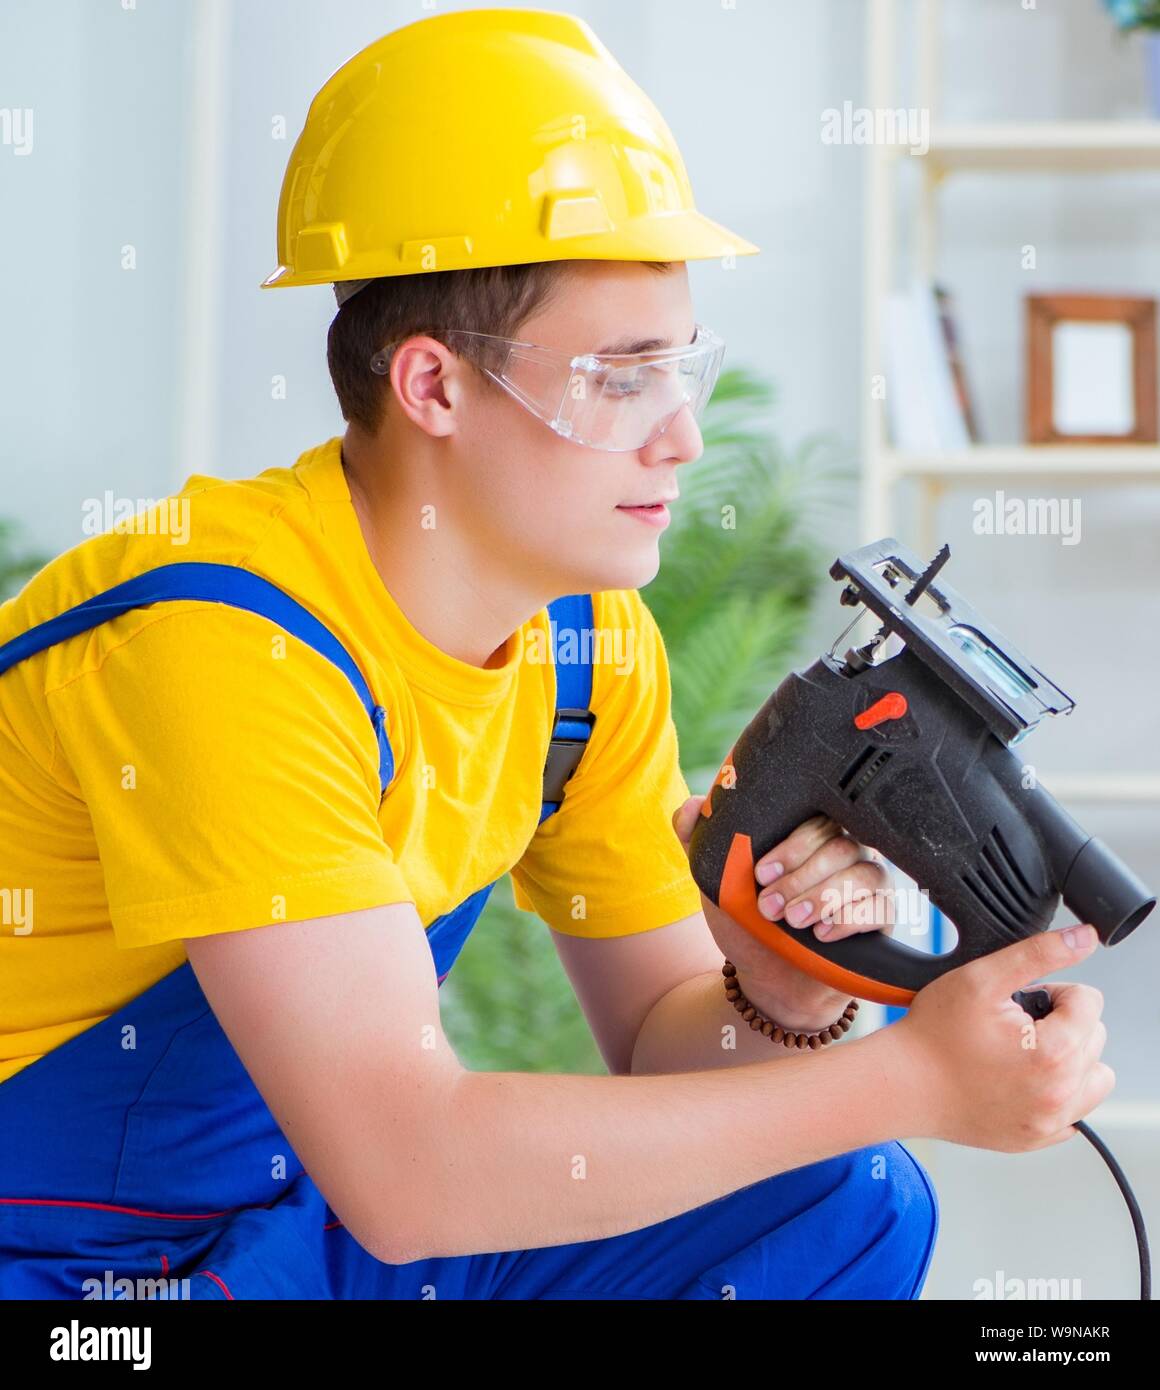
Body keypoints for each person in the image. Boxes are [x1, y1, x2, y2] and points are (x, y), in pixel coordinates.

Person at [0, 9, 1111, 1301]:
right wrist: (914, 1075)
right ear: (433, 387)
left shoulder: (578, 648)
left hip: (276, 1242)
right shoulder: (222, 636)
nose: (685, 437)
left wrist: (779, 986)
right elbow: (410, 1169)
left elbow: (658, 1039)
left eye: (685, 367)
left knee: (842, 1201)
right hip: (52, 1272)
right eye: (623, 375)